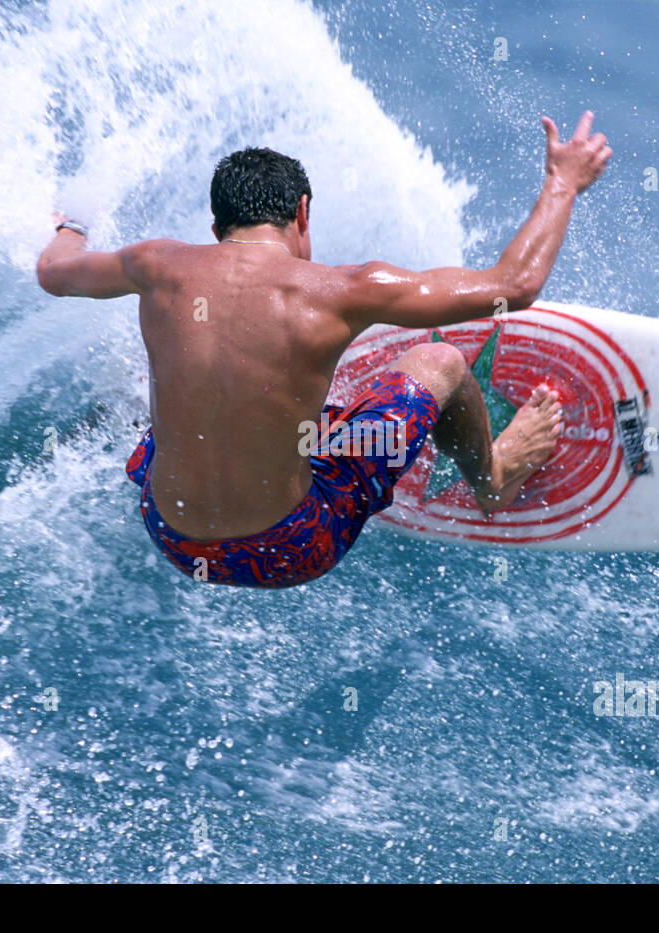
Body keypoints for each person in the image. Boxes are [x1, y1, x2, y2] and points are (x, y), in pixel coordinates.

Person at [36, 111, 611, 587]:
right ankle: (495, 475)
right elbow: (513, 289)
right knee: (443, 362)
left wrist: (75, 222)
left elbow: (53, 272)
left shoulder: (155, 264)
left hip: (172, 536)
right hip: (290, 547)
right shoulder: (342, 289)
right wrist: (563, 182)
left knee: (170, 371)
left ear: (218, 229)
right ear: (302, 212)